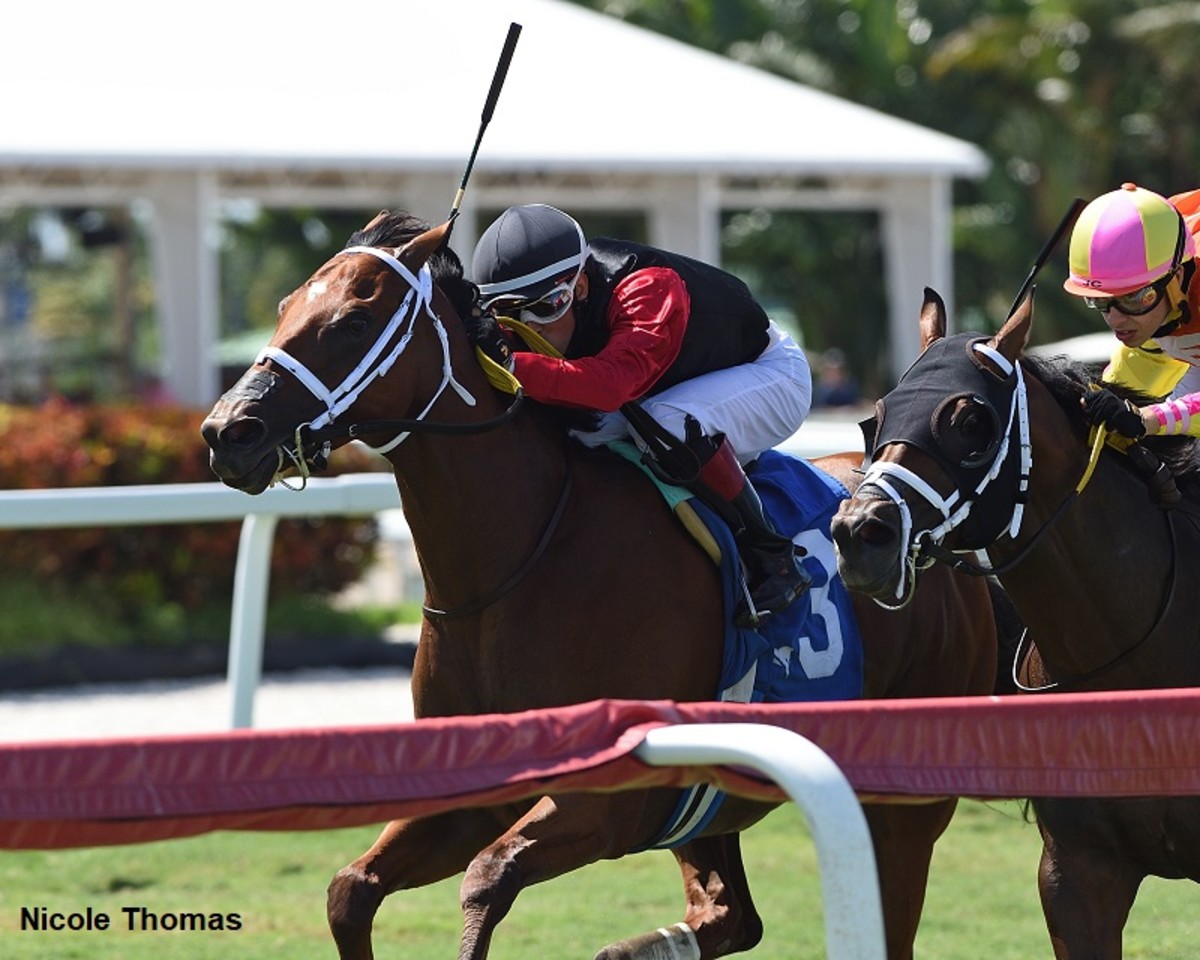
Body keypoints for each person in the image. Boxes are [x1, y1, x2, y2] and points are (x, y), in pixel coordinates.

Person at [471, 203, 813, 626]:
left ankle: (772, 557)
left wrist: (514, 365)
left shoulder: (649, 289)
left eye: (546, 307)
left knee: (667, 422)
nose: (531, 328)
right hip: (660, 390)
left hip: (769, 375)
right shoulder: (548, 310)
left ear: (580, 286)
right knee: (584, 434)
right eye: (509, 314)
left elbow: (609, 386)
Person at [1063, 182, 1200, 438]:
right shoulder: (1158, 309)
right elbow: (1135, 376)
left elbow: (1148, 418)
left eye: (1133, 298)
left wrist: (1149, 418)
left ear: (1177, 277)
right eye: (1100, 301)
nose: (1115, 319)